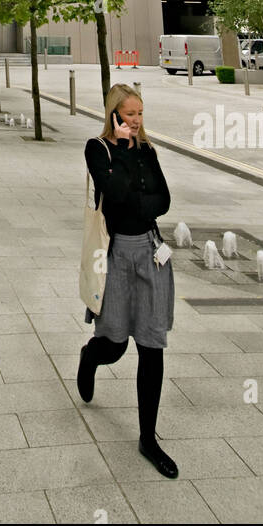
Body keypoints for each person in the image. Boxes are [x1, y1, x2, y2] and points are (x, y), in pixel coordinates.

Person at [77, 83, 178, 479]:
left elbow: (164, 200)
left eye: (140, 114)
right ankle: (90, 356)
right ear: (114, 114)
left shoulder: (148, 151)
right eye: (129, 114)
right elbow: (114, 192)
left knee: (152, 346)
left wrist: (137, 201)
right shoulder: (97, 149)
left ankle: (148, 439)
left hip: (151, 253)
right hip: (115, 254)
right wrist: (119, 149)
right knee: (115, 345)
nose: (136, 121)